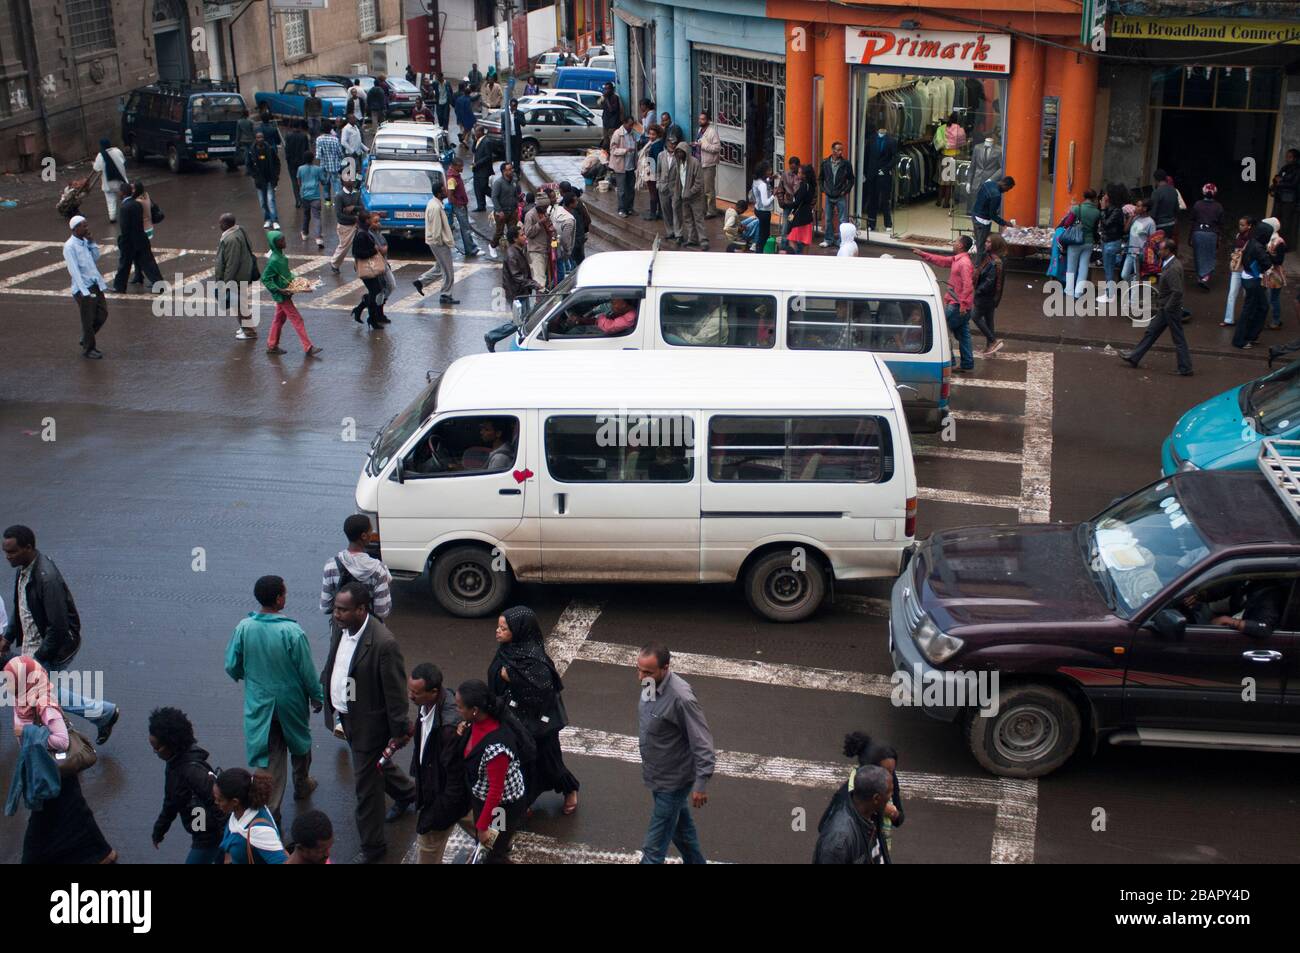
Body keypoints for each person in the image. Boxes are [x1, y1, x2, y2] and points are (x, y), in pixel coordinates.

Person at [321, 582, 417, 864]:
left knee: (366, 791)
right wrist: (323, 693)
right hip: (346, 719)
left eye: (342, 609)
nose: (336, 614)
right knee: (374, 768)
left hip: (370, 727)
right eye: (336, 608)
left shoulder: (384, 643)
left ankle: (374, 848)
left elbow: (395, 693)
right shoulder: (340, 628)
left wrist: (399, 731)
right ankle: (408, 793)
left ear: (361, 610)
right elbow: (334, 664)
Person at [2, 525, 120, 744]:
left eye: (12, 552)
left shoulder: (47, 579)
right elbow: (20, 606)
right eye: (5, 551)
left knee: (40, 694)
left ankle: (92, 720)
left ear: (28, 548)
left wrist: (38, 660)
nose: (7, 556)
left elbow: (58, 627)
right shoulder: (23, 569)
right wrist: (8, 637)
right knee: (42, 693)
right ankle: (103, 714)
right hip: (34, 643)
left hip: (51, 647)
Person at [225, 574, 324, 820]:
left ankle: (269, 810)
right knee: (300, 743)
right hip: (291, 703)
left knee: (269, 756)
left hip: (260, 704)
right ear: (279, 598)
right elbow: (307, 672)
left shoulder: (244, 628)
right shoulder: (292, 631)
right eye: (285, 593)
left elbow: (232, 665)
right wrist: (317, 696)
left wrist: (248, 676)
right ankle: (302, 784)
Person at [5, 656, 116, 864]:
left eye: (11, 680)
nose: (8, 685)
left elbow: (61, 741)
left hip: (51, 771)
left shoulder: (44, 704)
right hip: (47, 770)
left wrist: (29, 734)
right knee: (75, 813)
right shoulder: (23, 701)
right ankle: (102, 853)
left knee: (38, 830)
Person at [487, 607, 580, 814]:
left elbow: (543, 693)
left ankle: (570, 789)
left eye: (503, 628)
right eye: (499, 627)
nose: (498, 631)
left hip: (539, 727)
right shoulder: (507, 649)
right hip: (513, 722)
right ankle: (525, 801)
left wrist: (513, 678)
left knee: (550, 763)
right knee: (520, 765)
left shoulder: (535, 659)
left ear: (519, 631)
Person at [635, 643, 713, 864]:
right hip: (657, 775)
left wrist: (701, 782)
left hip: (673, 781)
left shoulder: (682, 698)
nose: (641, 677)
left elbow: (702, 742)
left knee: (653, 850)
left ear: (665, 668)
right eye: (638, 669)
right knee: (682, 833)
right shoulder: (651, 683)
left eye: (647, 672)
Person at [455, 679, 530, 863]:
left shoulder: (496, 748)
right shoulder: (476, 722)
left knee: (493, 851)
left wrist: (481, 827)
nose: (457, 710)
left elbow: (496, 792)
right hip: (483, 795)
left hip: (501, 807)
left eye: (460, 707)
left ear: (475, 710)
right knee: (491, 842)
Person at [407, 662, 468, 863]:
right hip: (439, 788)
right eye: (410, 690)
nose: (410, 696)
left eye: (415, 693)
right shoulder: (428, 705)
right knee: (473, 817)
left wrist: (437, 811)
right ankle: (499, 840)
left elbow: (455, 778)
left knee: (428, 846)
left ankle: (498, 840)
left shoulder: (449, 727)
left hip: (442, 796)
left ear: (433, 692)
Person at [148, 706, 225, 863]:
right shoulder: (174, 764)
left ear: (172, 744)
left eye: (157, 748)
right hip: (203, 832)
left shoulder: (192, 772)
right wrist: (160, 830)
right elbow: (171, 801)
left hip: (207, 835)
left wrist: (228, 841)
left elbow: (218, 804)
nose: (155, 752)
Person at [1121, 237, 1191, 375]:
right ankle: (1134, 357)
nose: (1159, 251)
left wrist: (1168, 307)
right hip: (1167, 308)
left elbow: (1177, 291)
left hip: (1170, 309)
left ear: (1169, 251)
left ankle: (1185, 368)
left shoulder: (1172, 268)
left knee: (1178, 339)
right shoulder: (1171, 263)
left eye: (1162, 249)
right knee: (1151, 332)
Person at [915, 236, 976, 373]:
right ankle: (967, 362)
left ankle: (952, 361)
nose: (953, 243)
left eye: (955, 241)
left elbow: (968, 285)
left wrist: (963, 304)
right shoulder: (959, 260)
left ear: (960, 245)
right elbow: (942, 261)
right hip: (960, 305)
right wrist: (923, 254)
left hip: (956, 305)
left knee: (942, 331)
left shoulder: (963, 263)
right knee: (963, 334)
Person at [841, 732, 905, 863]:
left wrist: (893, 813)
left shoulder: (891, 781)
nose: (890, 776)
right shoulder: (856, 785)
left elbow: (899, 819)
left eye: (892, 771)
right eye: (885, 771)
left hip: (880, 850)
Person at [812, 763, 891, 864]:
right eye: (889, 792)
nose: (890, 796)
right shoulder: (838, 843)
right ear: (876, 798)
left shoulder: (874, 814)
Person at [261, 230, 322, 357]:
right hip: (282, 295)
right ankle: (308, 347)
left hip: (286, 293)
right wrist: (278, 289)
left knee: (279, 319)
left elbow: (287, 274)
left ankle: (272, 345)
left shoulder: (281, 258)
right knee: (297, 319)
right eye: (281, 241)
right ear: (275, 244)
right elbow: (265, 278)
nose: (284, 242)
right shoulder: (274, 261)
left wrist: (299, 281)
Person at [321, 514, 394, 620]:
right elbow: (382, 612)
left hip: (341, 632)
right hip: (369, 632)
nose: (372, 533)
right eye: (370, 531)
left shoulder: (331, 566)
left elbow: (325, 607)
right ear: (364, 536)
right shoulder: (378, 570)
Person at [214, 768, 287, 864]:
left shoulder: (260, 831)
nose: (216, 803)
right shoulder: (238, 812)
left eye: (220, 800)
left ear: (235, 802)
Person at [63, 215, 110, 360]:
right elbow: (74, 271)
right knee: (87, 320)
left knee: (103, 314)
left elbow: (95, 258)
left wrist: (92, 242)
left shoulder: (85, 242)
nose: (87, 228)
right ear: (76, 228)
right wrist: (84, 292)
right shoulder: (69, 246)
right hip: (84, 288)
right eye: (84, 226)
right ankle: (89, 349)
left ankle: (86, 339)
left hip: (95, 284)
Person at [111, 183, 163, 293]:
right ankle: (159, 285)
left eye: (120, 192)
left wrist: (122, 241)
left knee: (124, 265)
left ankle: (119, 286)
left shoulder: (125, 207)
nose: (118, 194)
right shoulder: (136, 204)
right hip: (141, 238)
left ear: (123, 193)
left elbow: (125, 228)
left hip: (129, 242)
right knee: (149, 263)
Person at [214, 213, 259, 341]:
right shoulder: (239, 230)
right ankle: (246, 327)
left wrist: (225, 283)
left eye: (220, 223)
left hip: (236, 279)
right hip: (242, 275)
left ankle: (249, 331)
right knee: (240, 303)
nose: (219, 225)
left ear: (226, 224)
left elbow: (231, 264)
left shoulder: (231, 239)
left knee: (239, 305)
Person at [413, 182, 457, 304]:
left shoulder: (434, 204)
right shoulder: (436, 207)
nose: (446, 191)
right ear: (439, 193)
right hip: (439, 243)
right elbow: (437, 229)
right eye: (444, 190)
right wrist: (441, 242)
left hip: (436, 242)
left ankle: (421, 282)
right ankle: (445, 295)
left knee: (439, 267)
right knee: (448, 270)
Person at [1233, 222, 1276, 349]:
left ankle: (1250, 336)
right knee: (1250, 310)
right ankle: (1240, 340)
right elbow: (1267, 264)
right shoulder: (1259, 247)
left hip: (1249, 278)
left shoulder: (1252, 242)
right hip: (1253, 281)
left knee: (1261, 307)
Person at [351, 211, 390, 329]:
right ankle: (372, 319)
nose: (371, 221)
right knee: (375, 292)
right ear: (366, 221)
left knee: (376, 292)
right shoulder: (361, 235)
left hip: (371, 268)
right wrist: (374, 251)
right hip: (367, 269)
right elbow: (357, 253)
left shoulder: (365, 232)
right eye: (369, 219)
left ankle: (361, 311)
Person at [972, 233, 1006, 356]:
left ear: (995, 245)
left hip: (986, 297)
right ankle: (990, 347)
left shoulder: (995, 262)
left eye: (988, 242)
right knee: (988, 320)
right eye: (986, 241)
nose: (986, 243)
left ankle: (992, 341)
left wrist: (978, 291)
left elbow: (989, 282)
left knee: (975, 316)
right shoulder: (991, 258)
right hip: (990, 298)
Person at [1064, 189, 1100, 300]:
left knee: (1071, 266)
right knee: (1084, 266)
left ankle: (1069, 291)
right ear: (1094, 198)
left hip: (1075, 240)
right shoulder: (1097, 212)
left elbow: (1067, 223)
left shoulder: (1077, 208)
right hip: (1089, 242)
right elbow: (1095, 228)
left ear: (1084, 196)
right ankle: (1078, 292)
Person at [970, 175, 1015, 265]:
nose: (1006, 191)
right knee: (982, 246)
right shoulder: (996, 196)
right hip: (983, 221)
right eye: (1008, 189)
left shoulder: (988, 184)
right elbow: (992, 215)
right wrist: (1005, 223)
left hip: (975, 216)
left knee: (979, 243)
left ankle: (978, 264)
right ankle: (978, 267)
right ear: (1005, 185)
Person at [1221, 216, 1256, 327]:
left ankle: (1246, 319)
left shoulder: (1253, 239)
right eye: (1239, 224)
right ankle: (1228, 319)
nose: (1240, 227)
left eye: (1242, 225)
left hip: (1247, 269)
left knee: (1246, 295)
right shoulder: (1238, 236)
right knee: (1232, 294)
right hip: (1238, 268)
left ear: (1249, 226)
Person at [819, 141, 854, 248]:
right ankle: (828, 239)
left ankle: (841, 241)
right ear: (833, 150)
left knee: (843, 220)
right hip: (829, 194)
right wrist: (823, 189)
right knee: (828, 218)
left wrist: (845, 191)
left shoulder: (846, 164)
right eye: (838, 150)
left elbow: (851, 179)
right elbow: (820, 178)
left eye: (841, 150)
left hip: (840, 195)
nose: (840, 152)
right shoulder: (825, 163)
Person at [1189, 183, 1224, 290]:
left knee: (1198, 256)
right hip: (1211, 234)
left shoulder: (1197, 204)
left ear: (1203, 192)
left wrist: (1190, 236)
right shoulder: (1218, 207)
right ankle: (1205, 278)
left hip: (1197, 233)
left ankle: (1200, 277)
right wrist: (1219, 237)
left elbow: (1192, 220)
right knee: (1209, 256)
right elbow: (1221, 224)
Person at [862, 131, 898, 233]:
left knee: (885, 200)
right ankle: (871, 223)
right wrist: (865, 172)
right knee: (872, 199)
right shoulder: (871, 139)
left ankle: (888, 224)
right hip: (871, 173)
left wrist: (886, 169)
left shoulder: (891, 141)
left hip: (884, 174)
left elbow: (895, 158)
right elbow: (866, 156)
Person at [674, 141, 706, 250]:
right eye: (677, 152)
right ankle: (692, 239)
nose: (679, 154)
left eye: (681, 152)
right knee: (688, 219)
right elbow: (678, 180)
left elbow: (699, 182)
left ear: (686, 152)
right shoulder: (679, 163)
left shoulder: (695, 163)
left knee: (698, 219)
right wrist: (678, 193)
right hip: (684, 197)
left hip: (695, 197)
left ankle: (703, 241)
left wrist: (690, 192)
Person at [1097, 187, 1127, 303]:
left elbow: (1106, 224)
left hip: (1111, 242)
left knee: (1109, 269)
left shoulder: (1116, 211)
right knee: (1107, 268)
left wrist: (1103, 209)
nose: (1104, 196)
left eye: (1106, 194)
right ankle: (1109, 293)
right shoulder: (1113, 209)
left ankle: (1110, 295)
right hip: (1108, 241)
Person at [246, 132, 281, 229]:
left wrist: (276, 174)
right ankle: (267, 219)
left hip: (270, 179)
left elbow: (277, 162)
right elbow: (248, 165)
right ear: (255, 139)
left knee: (270, 200)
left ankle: (274, 220)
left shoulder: (270, 149)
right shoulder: (251, 151)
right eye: (258, 137)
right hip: (259, 181)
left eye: (262, 137)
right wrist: (254, 175)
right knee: (262, 202)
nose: (260, 139)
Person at [446, 157, 480, 258]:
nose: (462, 168)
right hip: (459, 206)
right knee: (465, 228)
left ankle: (471, 247)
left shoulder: (456, 176)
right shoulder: (452, 179)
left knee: (466, 227)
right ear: (455, 166)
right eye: (460, 166)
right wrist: (458, 204)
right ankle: (470, 249)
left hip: (460, 205)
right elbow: (450, 195)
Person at [332, 174, 365, 275]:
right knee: (344, 247)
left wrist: (353, 208)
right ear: (343, 182)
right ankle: (334, 264)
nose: (351, 181)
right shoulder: (339, 196)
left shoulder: (356, 193)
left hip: (356, 225)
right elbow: (339, 215)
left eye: (352, 179)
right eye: (348, 180)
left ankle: (358, 266)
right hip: (345, 226)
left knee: (358, 246)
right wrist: (354, 217)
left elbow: (362, 207)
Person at [524, 190, 557, 287]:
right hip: (536, 252)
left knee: (546, 279)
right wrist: (540, 223)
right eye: (544, 207)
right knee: (540, 281)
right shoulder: (530, 215)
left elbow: (549, 229)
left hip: (545, 250)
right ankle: (540, 301)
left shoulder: (544, 213)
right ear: (539, 206)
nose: (546, 209)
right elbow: (528, 233)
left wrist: (552, 229)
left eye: (547, 207)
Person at [692, 111, 722, 219]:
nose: (701, 121)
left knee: (708, 189)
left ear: (708, 120)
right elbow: (699, 143)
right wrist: (695, 145)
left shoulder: (712, 132)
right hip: (700, 163)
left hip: (709, 164)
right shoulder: (700, 130)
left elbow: (717, 148)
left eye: (703, 119)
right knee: (701, 189)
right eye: (700, 119)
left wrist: (702, 145)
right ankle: (703, 210)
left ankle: (711, 211)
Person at [91, 138, 128, 222]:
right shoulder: (117, 151)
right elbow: (124, 161)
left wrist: (94, 164)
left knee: (111, 201)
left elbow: (96, 168)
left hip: (108, 183)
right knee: (125, 199)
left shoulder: (100, 155)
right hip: (120, 181)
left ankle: (112, 217)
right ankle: (128, 214)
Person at [781, 163, 816, 254]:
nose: (798, 174)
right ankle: (805, 259)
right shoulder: (811, 186)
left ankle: (795, 256)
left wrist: (785, 205)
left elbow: (797, 203)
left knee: (792, 238)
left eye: (800, 173)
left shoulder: (804, 186)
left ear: (805, 175)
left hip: (800, 216)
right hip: (807, 215)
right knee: (805, 241)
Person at [491, 162, 523, 259]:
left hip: (512, 211)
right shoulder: (498, 183)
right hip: (501, 212)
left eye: (511, 169)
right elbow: (494, 197)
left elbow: (517, 194)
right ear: (504, 171)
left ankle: (512, 250)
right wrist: (499, 210)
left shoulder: (514, 181)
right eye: (509, 169)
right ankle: (492, 246)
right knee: (499, 232)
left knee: (512, 232)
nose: (511, 171)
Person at [608, 114, 638, 218]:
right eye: (630, 125)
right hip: (621, 166)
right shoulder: (617, 134)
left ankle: (630, 208)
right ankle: (621, 209)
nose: (631, 127)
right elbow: (612, 150)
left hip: (631, 166)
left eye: (632, 125)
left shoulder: (632, 134)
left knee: (631, 188)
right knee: (622, 190)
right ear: (624, 123)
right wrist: (625, 151)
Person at [1262, 216, 1288, 329]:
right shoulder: (1268, 239)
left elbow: (1279, 260)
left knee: (1273, 298)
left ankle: (1276, 321)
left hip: (1275, 274)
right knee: (1269, 298)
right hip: (1268, 273)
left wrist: (1267, 254)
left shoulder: (1279, 242)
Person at [1271, 147, 1300, 247]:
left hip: (1289, 200)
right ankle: (1273, 241)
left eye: (1290, 157)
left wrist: (1281, 182)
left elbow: (1294, 184)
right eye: (1287, 157)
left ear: (1295, 158)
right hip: (1280, 197)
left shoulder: (1297, 170)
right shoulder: (1285, 168)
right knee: (1276, 219)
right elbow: (1276, 178)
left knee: (1286, 222)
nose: (1287, 159)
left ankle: (1283, 245)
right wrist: (1277, 181)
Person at [297, 151, 325, 249]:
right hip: (315, 196)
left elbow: (299, 181)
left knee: (306, 215)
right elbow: (323, 181)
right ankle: (318, 238)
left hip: (304, 195)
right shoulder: (318, 169)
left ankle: (305, 233)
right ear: (313, 158)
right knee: (317, 217)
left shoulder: (300, 169)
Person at [657, 133, 680, 241]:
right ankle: (669, 231)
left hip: (675, 187)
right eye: (671, 143)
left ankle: (677, 233)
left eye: (674, 143)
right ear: (667, 143)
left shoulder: (679, 156)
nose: (673, 145)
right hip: (663, 187)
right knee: (666, 210)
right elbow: (658, 171)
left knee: (676, 210)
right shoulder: (661, 155)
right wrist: (658, 183)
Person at [314, 121, 342, 208]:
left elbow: (318, 155)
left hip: (324, 166)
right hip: (334, 166)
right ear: (330, 129)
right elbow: (340, 153)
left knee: (326, 184)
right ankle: (338, 202)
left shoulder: (319, 139)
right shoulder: (335, 139)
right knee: (336, 184)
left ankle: (327, 201)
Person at [284, 120, 311, 209]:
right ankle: (304, 199)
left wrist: (288, 160)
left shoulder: (288, 136)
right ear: (299, 126)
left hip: (292, 163)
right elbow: (307, 150)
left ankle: (298, 200)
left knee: (294, 182)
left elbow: (287, 150)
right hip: (302, 162)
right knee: (303, 182)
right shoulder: (304, 136)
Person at [1149, 169, 1180, 245]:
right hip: (1171, 225)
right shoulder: (1173, 190)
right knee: (1166, 246)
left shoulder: (1156, 192)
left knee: (1157, 247)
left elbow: (1153, 213)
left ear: (1156, 180)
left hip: (1159, 225)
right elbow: (1177, 210)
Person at [750, 161, 775, 251]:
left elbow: (763, 183)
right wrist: (773, 195)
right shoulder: (763, 185)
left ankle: (758, 248)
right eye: (769, 170)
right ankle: (759, 252)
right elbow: (765, 202)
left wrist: (770, 179)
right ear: (764, 171)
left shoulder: (756, 180)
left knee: (762, 233)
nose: (771, 171)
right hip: (764, 212)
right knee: (764, 236)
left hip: (757, 209)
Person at [471, 126, 494, 212]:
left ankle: (497, 197)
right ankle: (481, 205)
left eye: (476, 132)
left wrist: (477, 163)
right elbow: (474, 150)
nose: (475, 133)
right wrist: (474, 140)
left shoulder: (487, 142)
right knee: (477, 188)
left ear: (481, 132)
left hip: (483, 170)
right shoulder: (478, 140)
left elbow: (488, 156)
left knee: (483, 187)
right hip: (476, 169)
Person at [600, 82, 623, 152]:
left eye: (608, 89)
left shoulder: (615, 97)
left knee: (613, 141)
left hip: (613, 124)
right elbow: (600, 104)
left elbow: (612, 110)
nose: (606, 91)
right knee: (606, 141)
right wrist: (603, 99)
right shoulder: (604, 97)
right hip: (606, 123)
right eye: (605, 89)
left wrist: (606, 99)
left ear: (612, 89)